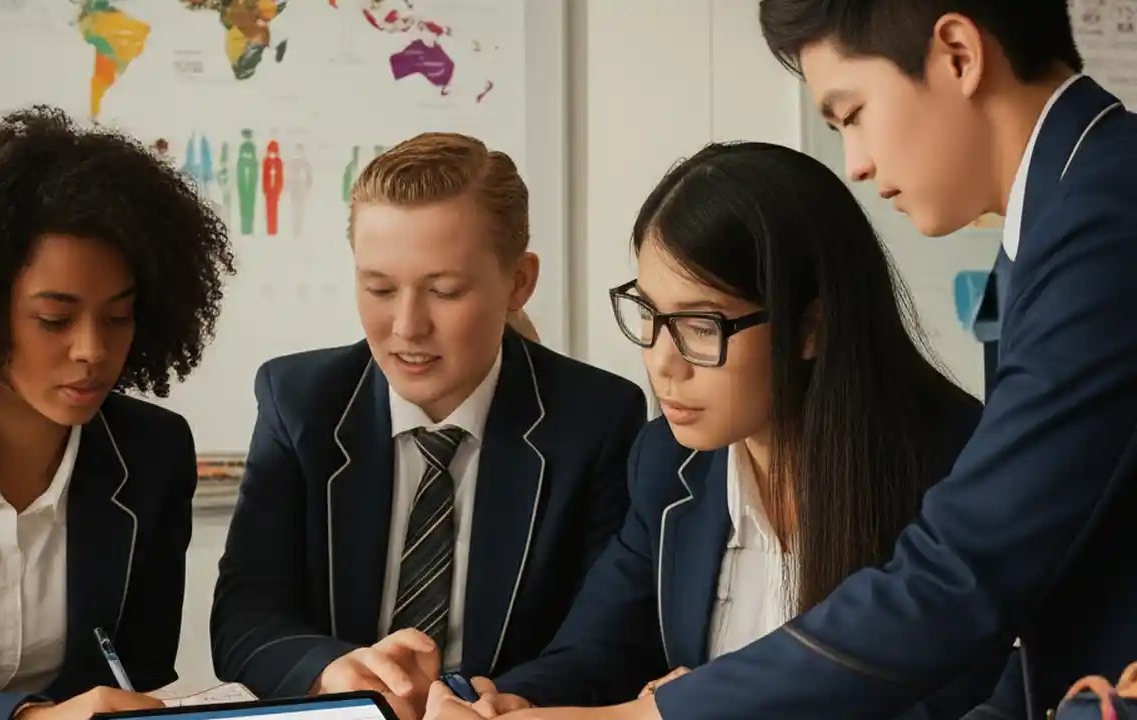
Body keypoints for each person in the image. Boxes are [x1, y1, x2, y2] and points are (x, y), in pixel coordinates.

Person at [459, 2, 1137, 718]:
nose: (859, 162)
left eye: (851, 113)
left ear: (959, 54)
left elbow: (962, 578)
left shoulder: (1102, 220)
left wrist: (650, 714)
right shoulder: (1070, 210)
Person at [421, 141, 1008, 720]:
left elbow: (956, 696)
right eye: (649, 315)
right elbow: (598, 651)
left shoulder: (958, 468)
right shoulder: (670, 461)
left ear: (811, 328)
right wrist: (513, 702)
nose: (661, 362)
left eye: (700, 326)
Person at [209, 132, 647, 719]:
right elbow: (245, 616)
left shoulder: (594, 418)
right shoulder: (299, 402)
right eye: (380, 288)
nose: (407, 327)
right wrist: (330, 672)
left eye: (444, 291)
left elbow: (606, 639)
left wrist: (493, 702)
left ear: (519, 282)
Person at [0, 106, 236, 720]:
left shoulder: (152, 453)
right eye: (54, 319)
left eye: (118, 317)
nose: (92, 350)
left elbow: (138, 669)